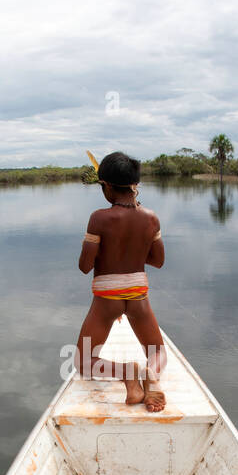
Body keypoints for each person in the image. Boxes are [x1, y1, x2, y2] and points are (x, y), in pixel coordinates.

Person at [73, 151, 167, 412]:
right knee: (158, 353)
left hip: (107, 298)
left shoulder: (99, 218)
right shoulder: (151, 218)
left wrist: (103, 248)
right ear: (134, 185)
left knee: (84, 362)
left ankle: (127, 372)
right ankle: (150, 373)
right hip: (139, 294)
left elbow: (84, 266)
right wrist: (133, 250)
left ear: (107, 186)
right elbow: (158, 261)